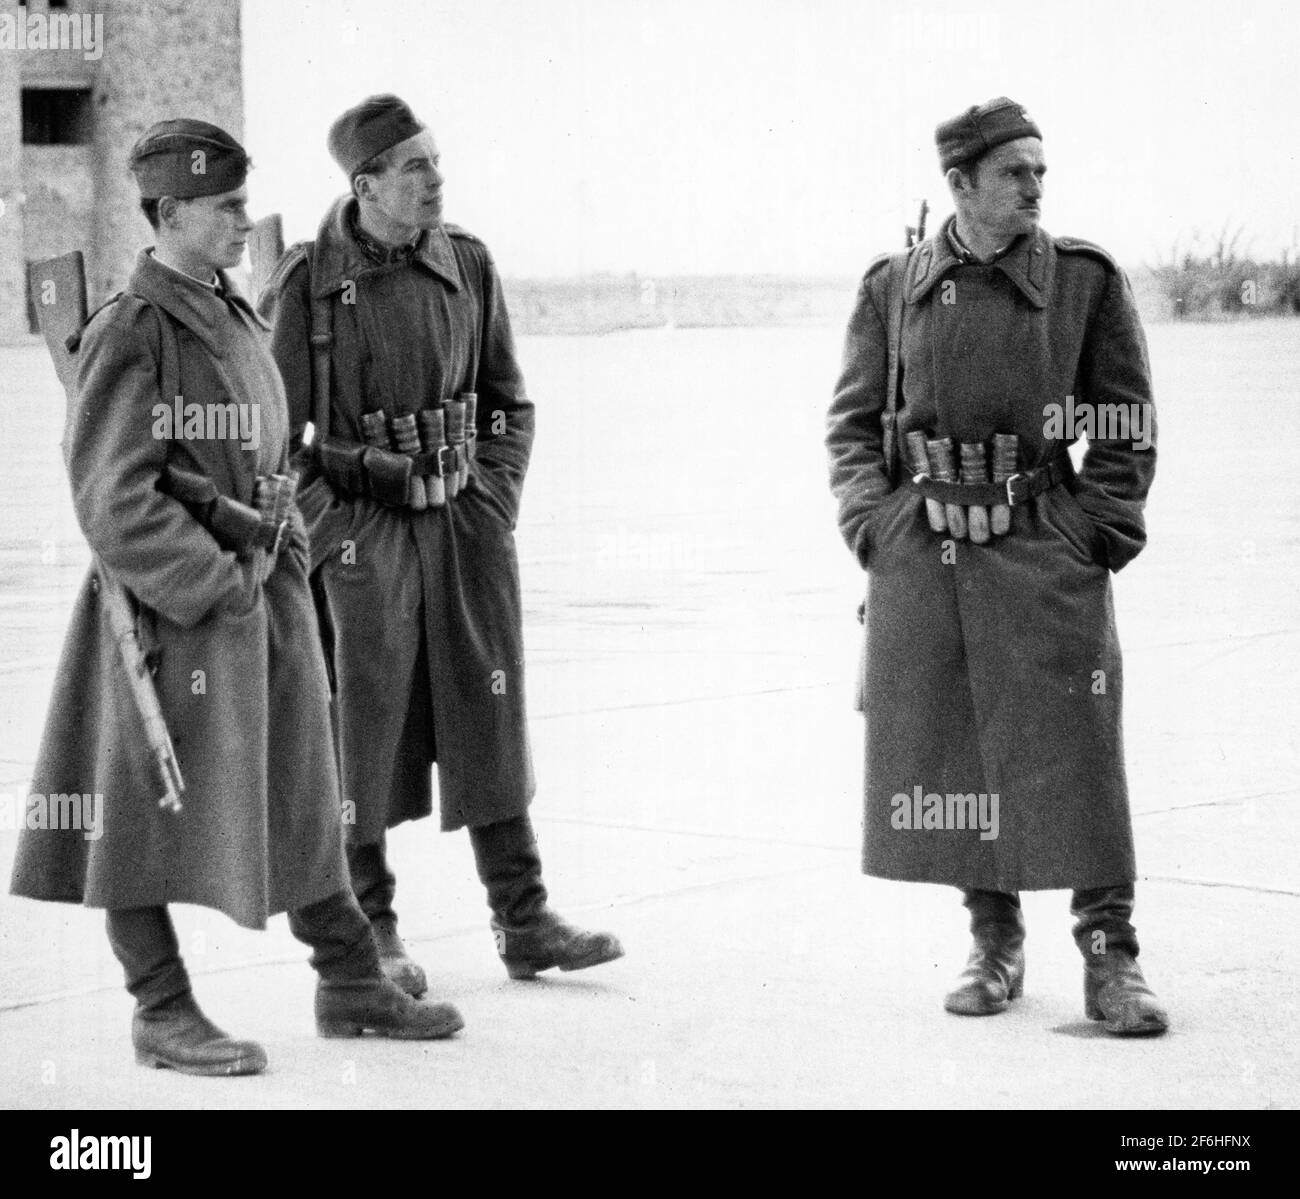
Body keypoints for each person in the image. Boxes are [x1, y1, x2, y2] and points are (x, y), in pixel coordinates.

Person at [11, 119, 463, 1077]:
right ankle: (161, 1008)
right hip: (170, 616)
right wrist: (214, 581)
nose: (240, 220)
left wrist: (279, 547)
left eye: (242, 202)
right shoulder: (133, 330)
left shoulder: (231, 308)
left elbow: (266, 452)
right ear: (169, 213)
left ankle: (349, 980)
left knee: (302, 791)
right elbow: (113, 494)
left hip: (265, 593)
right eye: (222, 207)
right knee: (132, 813)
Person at [258, 95, 622, 993]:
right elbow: (272, 444)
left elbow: (509, 402)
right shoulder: (306, 284)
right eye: (415, 167)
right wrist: (337, 526)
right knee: (359, 732)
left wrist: (491, 499)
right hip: (359, 537)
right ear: (367, 183)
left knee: (487, 715)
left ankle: (525, 918)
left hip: (462, 526)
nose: (436, 180)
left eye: (436, 163)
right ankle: (372, 933)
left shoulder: (468, 262)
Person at [825, 97, 1167, 1035]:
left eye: (1041, 171)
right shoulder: (893, 286)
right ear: (962, 184)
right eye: (1015, 172)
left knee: (1079, 753)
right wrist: (873, 522)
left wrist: (1095, 530)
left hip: (1044, 545)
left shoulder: (1085, 282)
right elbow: (854, 425)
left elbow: (1125, 425)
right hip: (928, 553)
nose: (1035, 187)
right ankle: (993, 942)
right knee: (961, 749)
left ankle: (1112, 958)